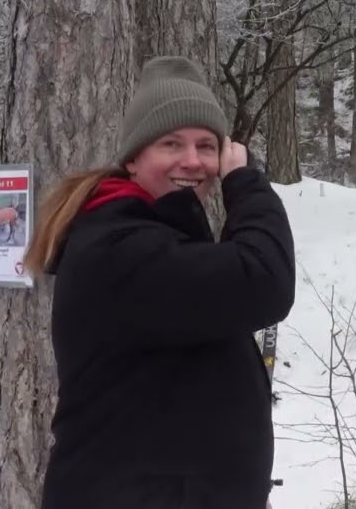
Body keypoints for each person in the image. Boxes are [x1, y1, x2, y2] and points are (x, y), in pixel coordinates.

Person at [24, 55, 296, 509]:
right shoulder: (119, 250)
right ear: (133, 158)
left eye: (207, 146)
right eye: (171, 144)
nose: (193, 161)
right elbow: (262, 278)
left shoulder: (150, 238)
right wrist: (245, 184)